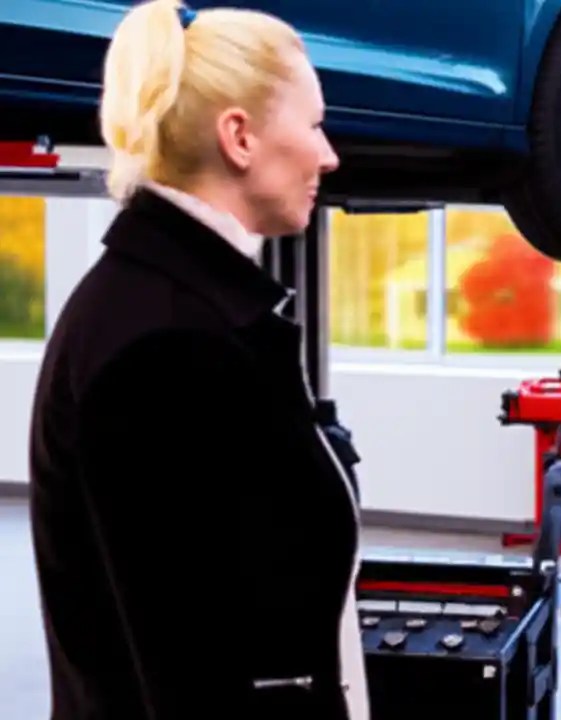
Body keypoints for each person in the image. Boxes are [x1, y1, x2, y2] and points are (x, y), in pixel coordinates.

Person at [26, 1, 368, 718]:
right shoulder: (168, 348)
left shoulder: (172, 309)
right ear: (239, 137)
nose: (329, 154)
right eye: (313, 125)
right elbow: (189, 673)